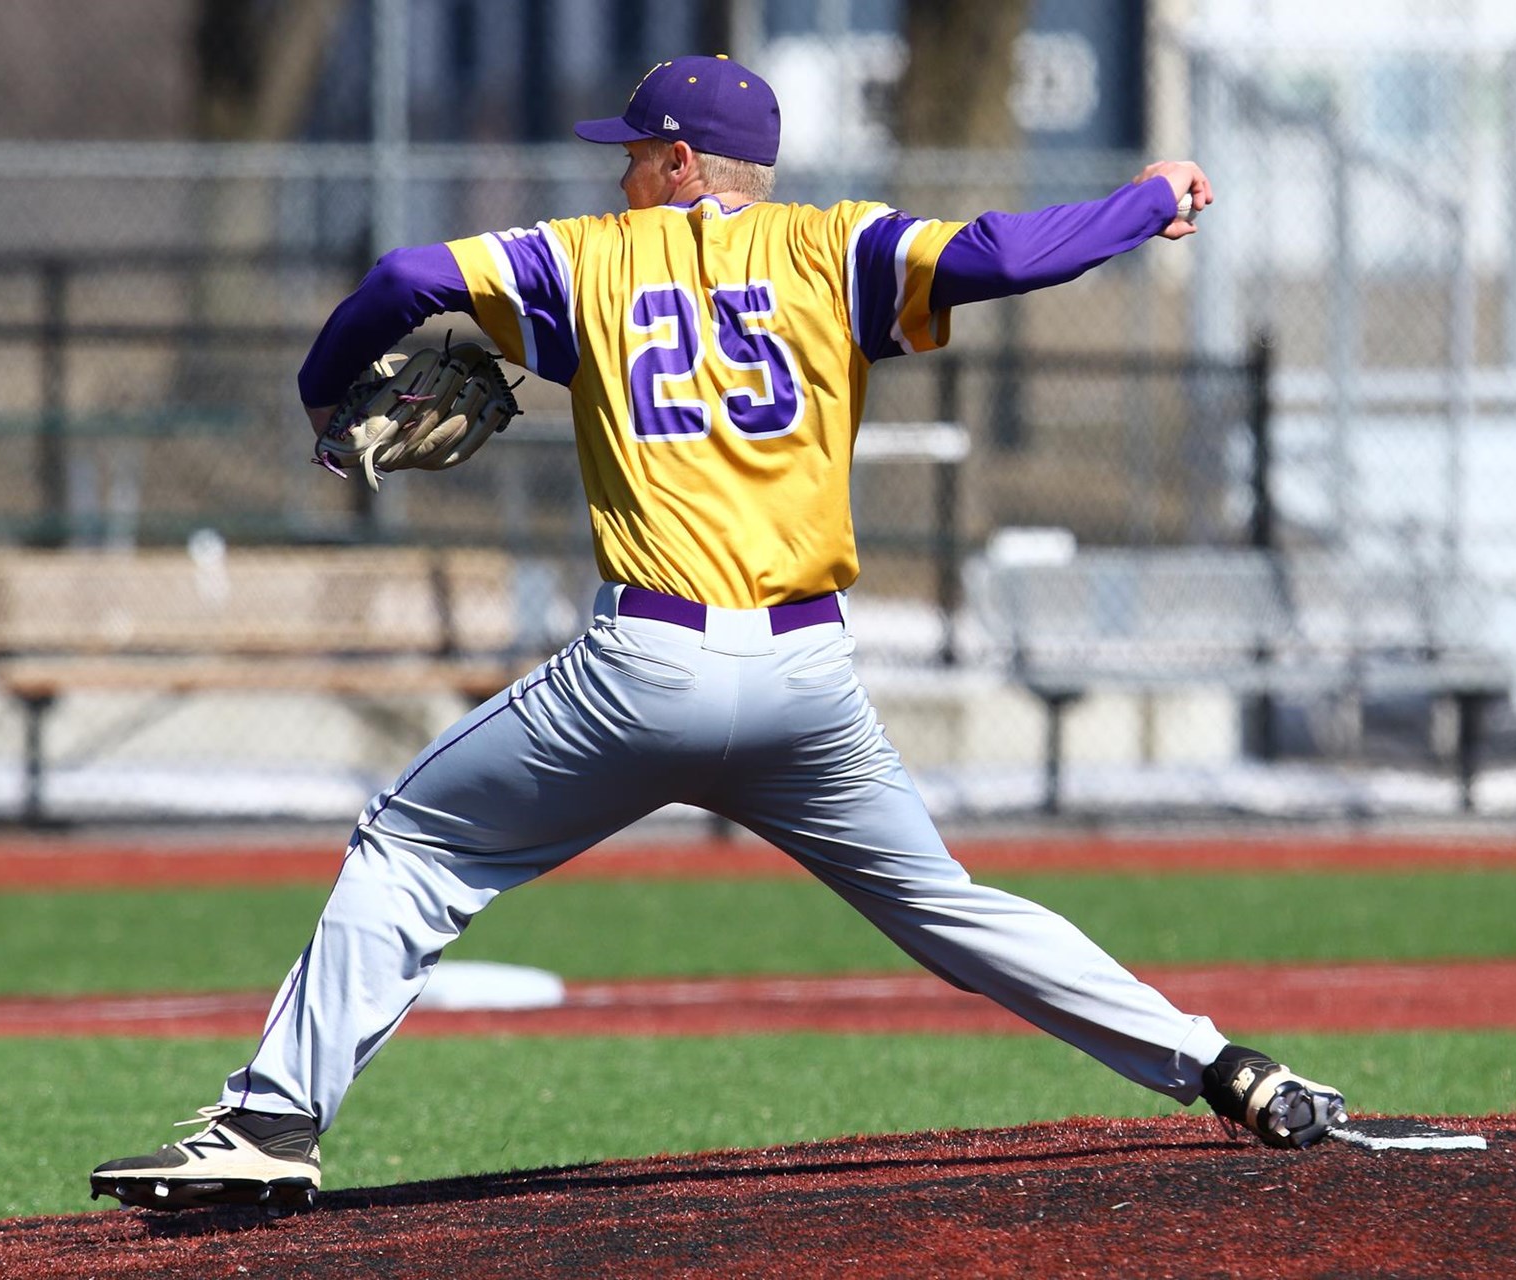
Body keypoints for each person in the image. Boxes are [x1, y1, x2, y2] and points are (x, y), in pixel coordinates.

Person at [91, 55, 1346, 1214]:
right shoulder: (836, 249)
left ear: (684, 163)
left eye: (639, 151)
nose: (622, 169)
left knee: (411, 846)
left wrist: (325, 391)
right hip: (808, 678)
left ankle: (269, 1124)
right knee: (947, 906)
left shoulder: (584, 257)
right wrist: (1146, 199)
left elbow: (403, 282)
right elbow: (1008, 254)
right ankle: (1219, 1063)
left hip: (643, 669)